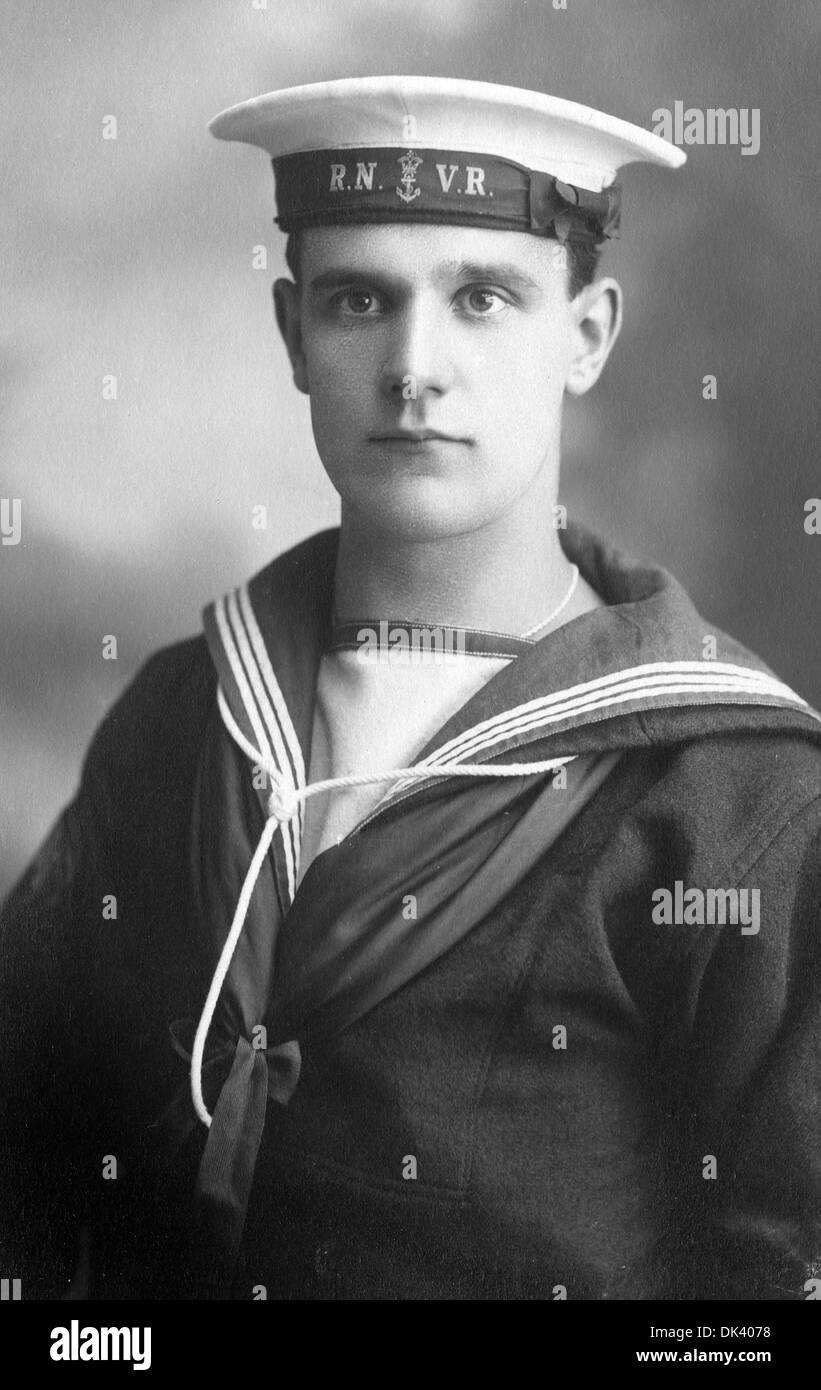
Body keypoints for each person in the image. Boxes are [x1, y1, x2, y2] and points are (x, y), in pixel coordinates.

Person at [2, 75, 820, 1302]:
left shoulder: (727, 800)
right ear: (292, 333)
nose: (412, 368)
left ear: (586, 335)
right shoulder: (183, 719)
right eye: (358, 301)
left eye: (481, 299)